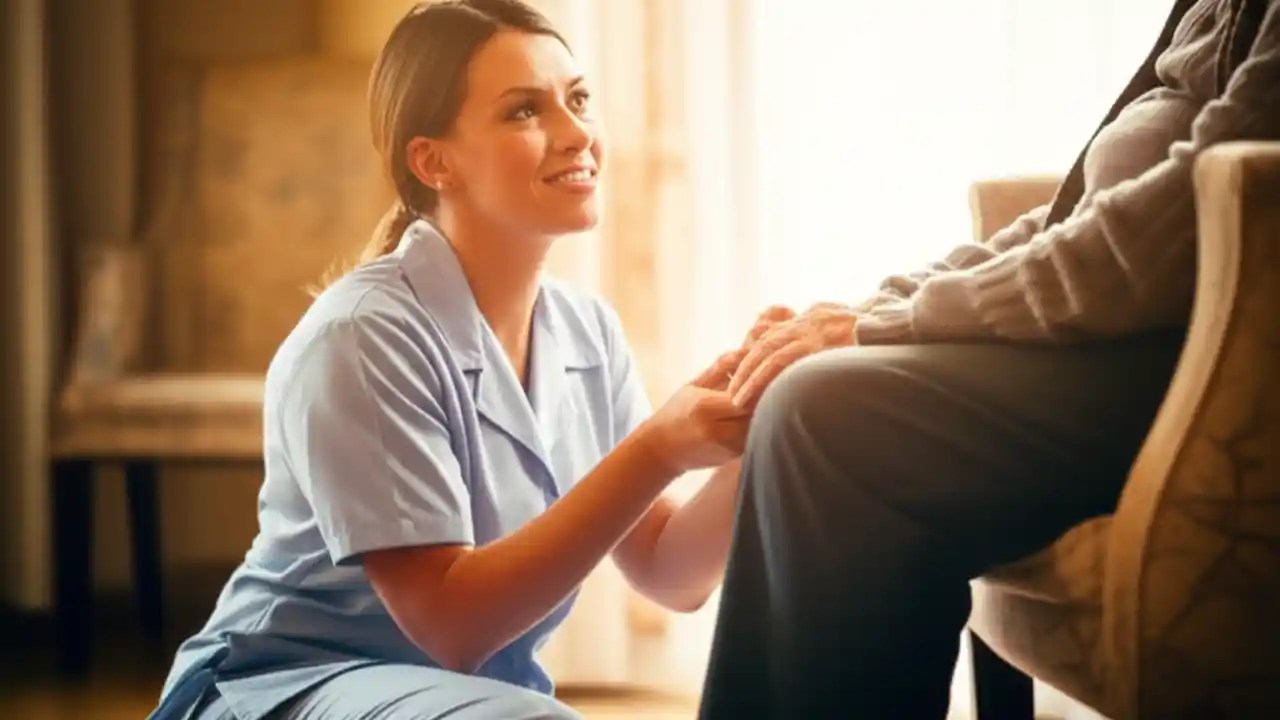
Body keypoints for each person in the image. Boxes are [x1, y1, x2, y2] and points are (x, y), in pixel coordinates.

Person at [147, 2, 781, 718]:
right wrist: (658, 448)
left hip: (448, 695)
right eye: (523, 112)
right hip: (287, 685)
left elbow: (671, 572)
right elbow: (453, 624)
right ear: (433, 160)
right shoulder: (360, 338)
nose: (578, 134)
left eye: (578, 99)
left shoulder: (586, 333)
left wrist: (765, 418)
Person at [698, 0, 1280, 717]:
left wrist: (886, 325)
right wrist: (879, 305)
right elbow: (1081, 215)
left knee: (830, 415)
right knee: (816, 394)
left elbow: (1149, 244)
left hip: (1215, 373)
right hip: (1131, 350)